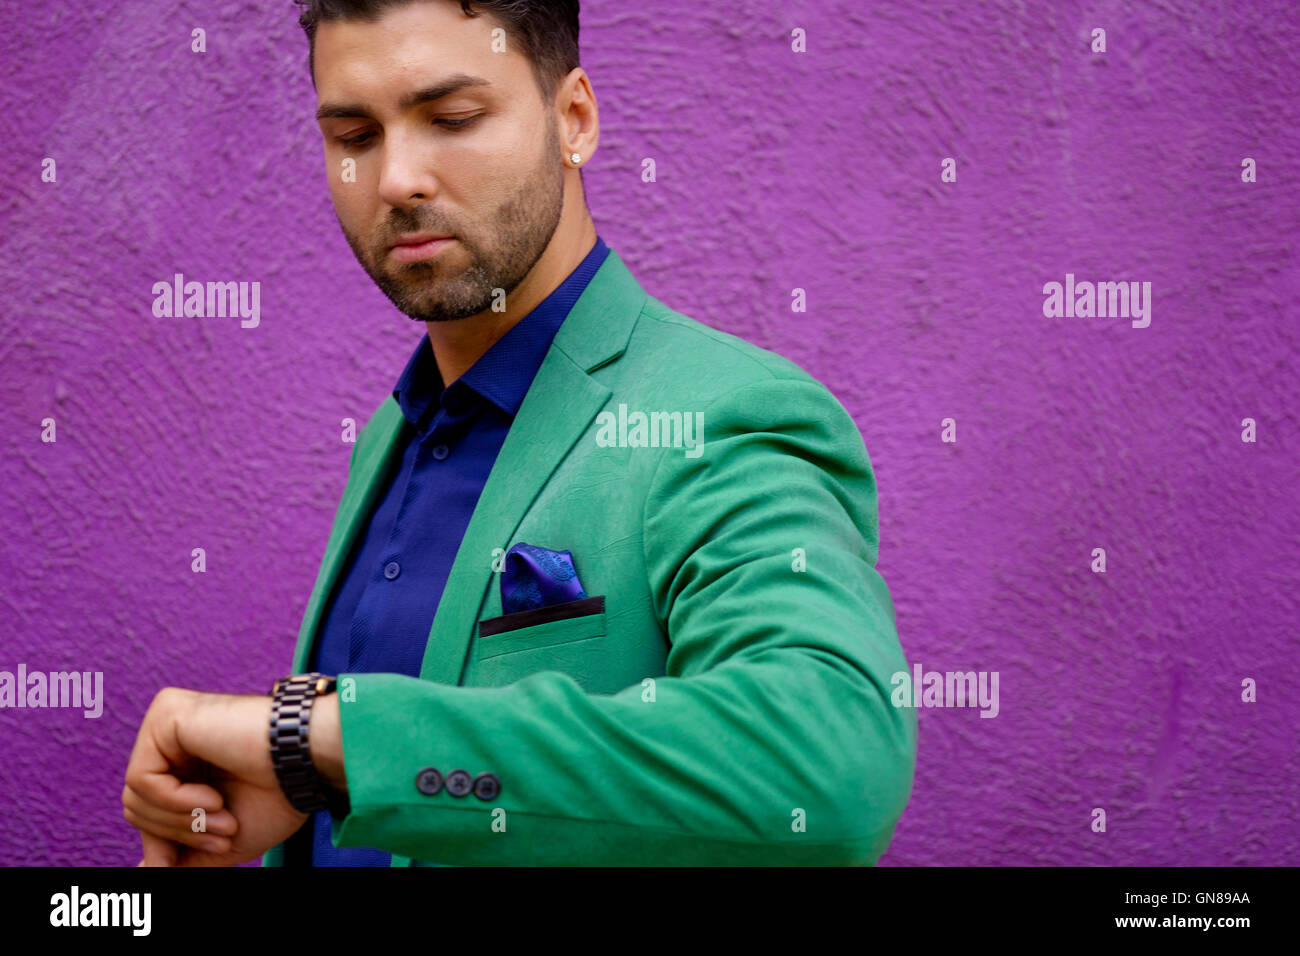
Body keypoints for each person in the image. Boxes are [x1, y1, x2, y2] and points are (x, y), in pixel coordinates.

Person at [121, 0, 917, 867]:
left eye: (452, 119)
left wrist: (326, 741)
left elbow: (828, 767)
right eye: (354, 135)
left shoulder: (720, 414)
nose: (397, 180)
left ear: (572, 118)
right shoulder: (390, 434)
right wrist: (301, 782)